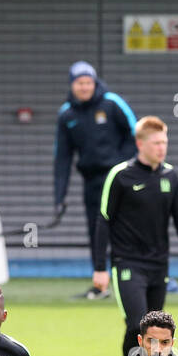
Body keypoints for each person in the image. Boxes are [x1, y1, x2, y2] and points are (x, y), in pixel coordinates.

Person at [99, 116, 178, 356]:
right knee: (138, 324)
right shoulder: (120, 175)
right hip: (127, 263)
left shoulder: (171, 176)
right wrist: (99, 268)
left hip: (159, 265)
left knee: (155, 329)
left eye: (164, 142)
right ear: (140, 143)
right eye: (155, 143)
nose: (161, 148)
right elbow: (103, 220)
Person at [54, 61, 137, 300]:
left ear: (95, 82)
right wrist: (59, 198)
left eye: (88, 82)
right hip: (92, 182)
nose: (84, 87)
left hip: (121, 179)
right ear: (72, 85)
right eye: (79, 83)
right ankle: (101, 285)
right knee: (97, 230)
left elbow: (136, 134)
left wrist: (125, 166)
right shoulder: (66, 114)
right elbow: (62, 158)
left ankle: (138, 277)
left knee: (129, 227)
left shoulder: (112, 103)